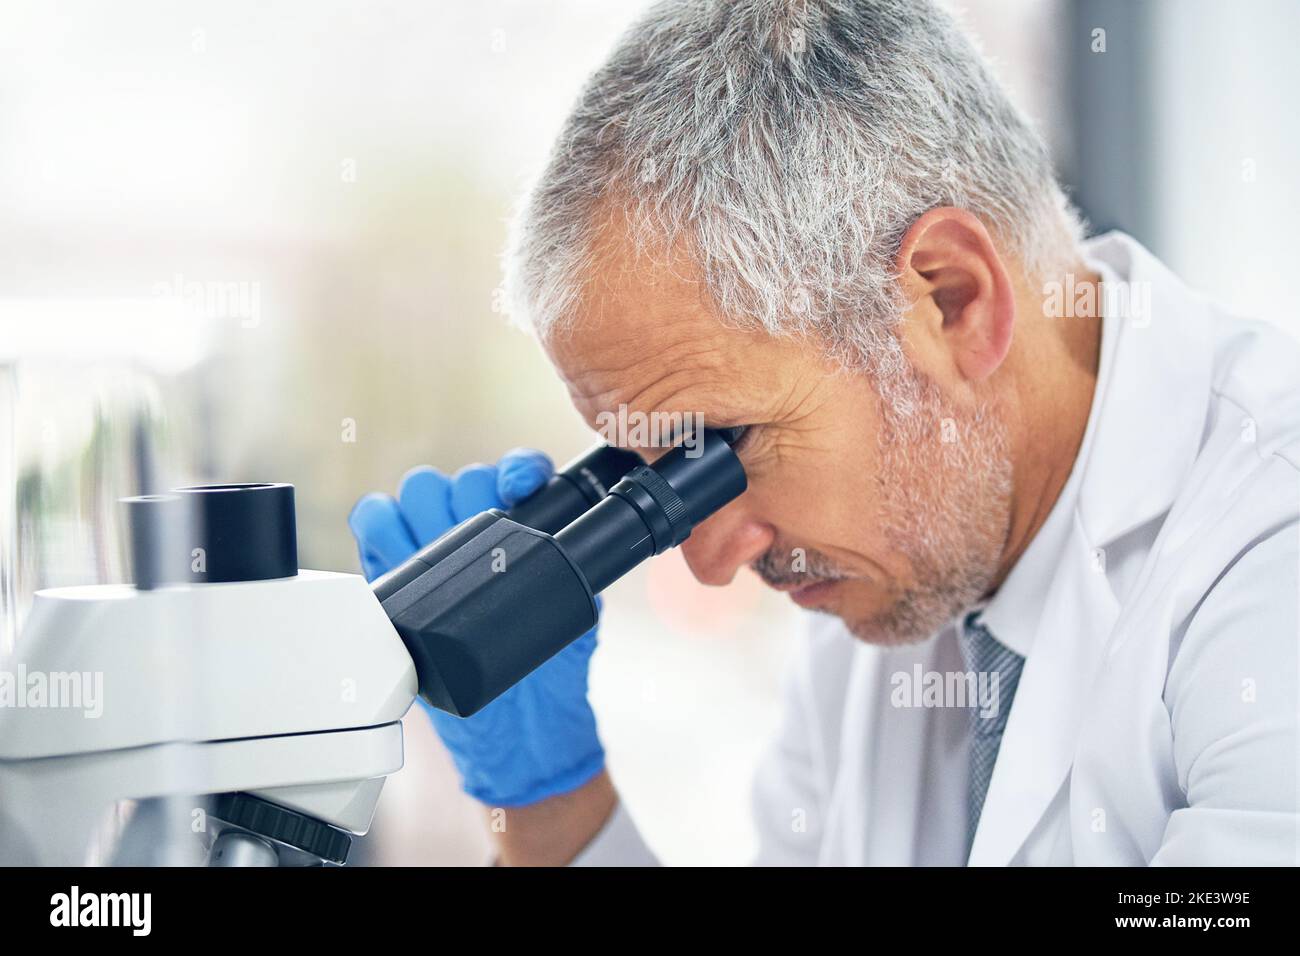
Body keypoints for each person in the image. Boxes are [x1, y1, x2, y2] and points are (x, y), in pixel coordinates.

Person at [350, 0, 1298, 865]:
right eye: (651, 478)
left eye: (726, 448)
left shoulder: (1269, 538)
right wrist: (551, 800)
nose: (712, 559)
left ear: (951, 299)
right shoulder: (886, 567)